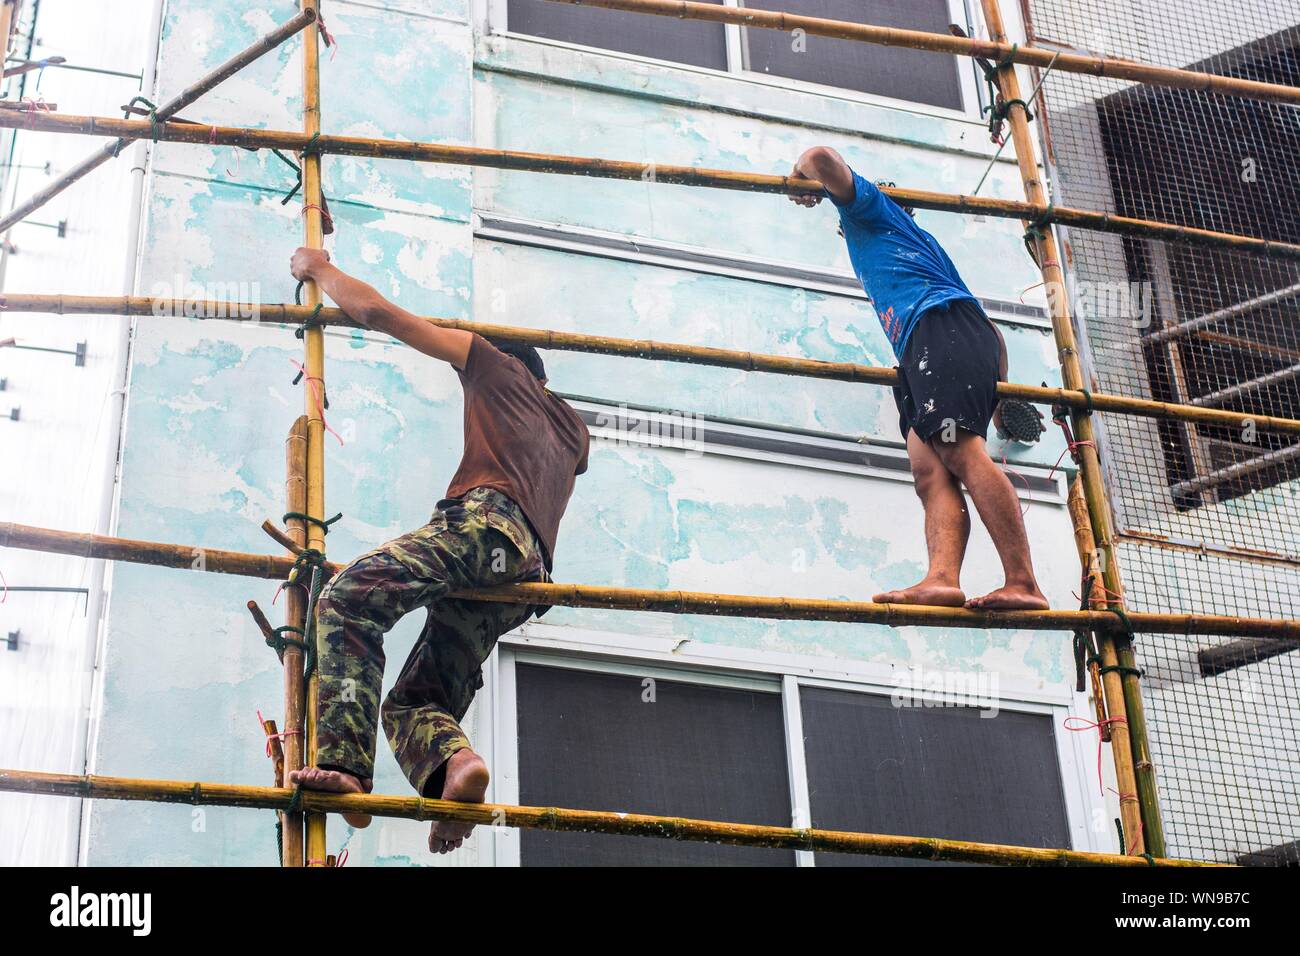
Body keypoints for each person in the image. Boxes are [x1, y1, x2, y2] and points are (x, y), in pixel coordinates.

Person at [285, 247, 590, 854]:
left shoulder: (494, 368)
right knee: (418, 700)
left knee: (351, 599)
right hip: (522, 578)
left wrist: (318, 269)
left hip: (484, 527)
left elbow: (378, 314)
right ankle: (455, 768)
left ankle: (344, 766)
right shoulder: (572, 431)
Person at [789, 146, 1048, 611]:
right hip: (922, 347)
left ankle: (1023, 582)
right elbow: (991, 334)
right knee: (928, 469)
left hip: (938, 329)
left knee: (960, 451)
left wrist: (798, 181)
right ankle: (942, 578)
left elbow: (821, 156)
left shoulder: (873, 211)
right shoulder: (907, 241)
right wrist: (995, 393)